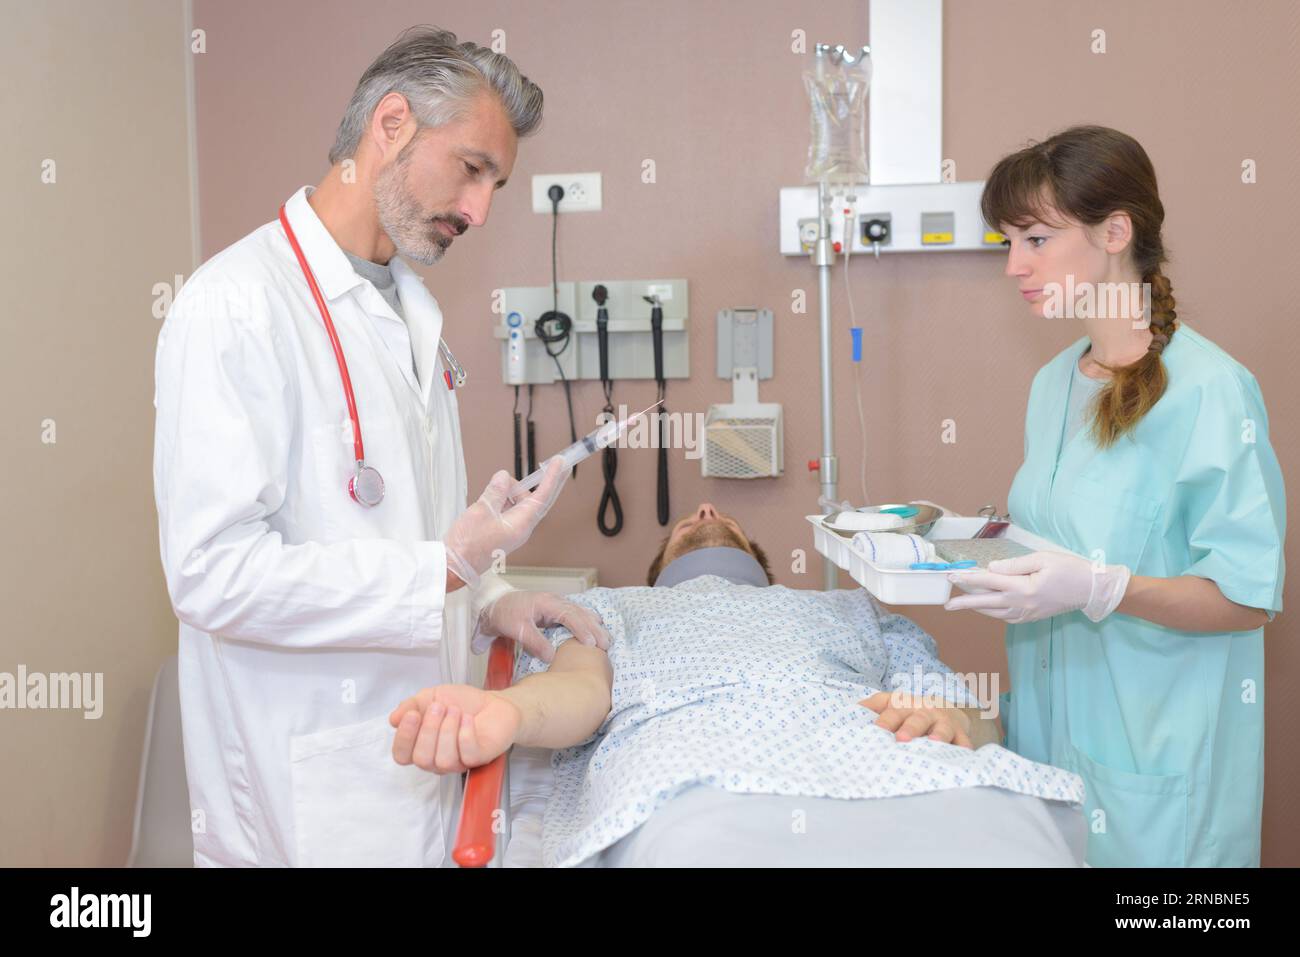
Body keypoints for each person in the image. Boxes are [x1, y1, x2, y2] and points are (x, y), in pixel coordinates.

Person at [152, 26, 609, 868]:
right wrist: (447, 567)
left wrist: (491, 596)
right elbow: (209, 574)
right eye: (472, 169)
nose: (478, 210)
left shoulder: (407, 308)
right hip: (305, 790)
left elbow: (413, 528)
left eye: (496, 184)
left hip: (417, 764)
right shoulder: (235, 305)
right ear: (390, 124)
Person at [390, 504, 1089, 868]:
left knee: (1009, 833)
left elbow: (970, 717)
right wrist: (506, 713)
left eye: (719, 520)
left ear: (760, 564)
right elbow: (581, 694)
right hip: (697, 776)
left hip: (893, 758)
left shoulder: (847, 607)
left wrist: (961, 722)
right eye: (686, 524)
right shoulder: (613, 608)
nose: (702, 508)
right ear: (658, 568)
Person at [944, 125, 1285, 866]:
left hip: (1161, 769)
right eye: (1008, 242)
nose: (1014, 266)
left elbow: (1248, 596)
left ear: (1114, 232)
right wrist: (963, 544)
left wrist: (1103, 587)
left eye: (1035, 239)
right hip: (1051, 749)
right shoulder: (1052, 383)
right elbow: (1062, 533)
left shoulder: (1213, 391)